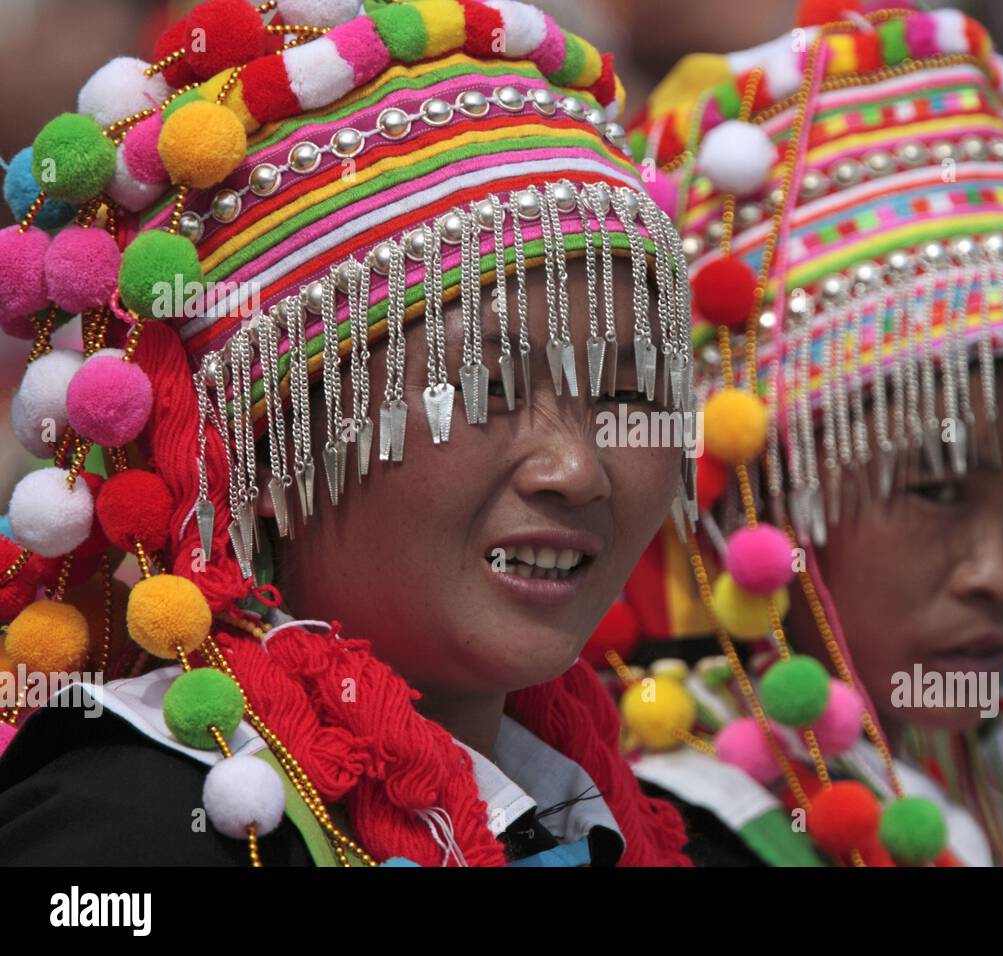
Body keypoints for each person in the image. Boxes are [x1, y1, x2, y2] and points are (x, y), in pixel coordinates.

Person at [0, 0, 696, 867]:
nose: (575, 469)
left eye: (626, 392)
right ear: (262, 452)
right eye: (484, 387)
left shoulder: (596, 811)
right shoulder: (130, 833)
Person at [598, 0, 1003, 866]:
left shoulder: (923, 786)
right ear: (751, 493)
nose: (999, 574)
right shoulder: (681, 828)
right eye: (934, 488)